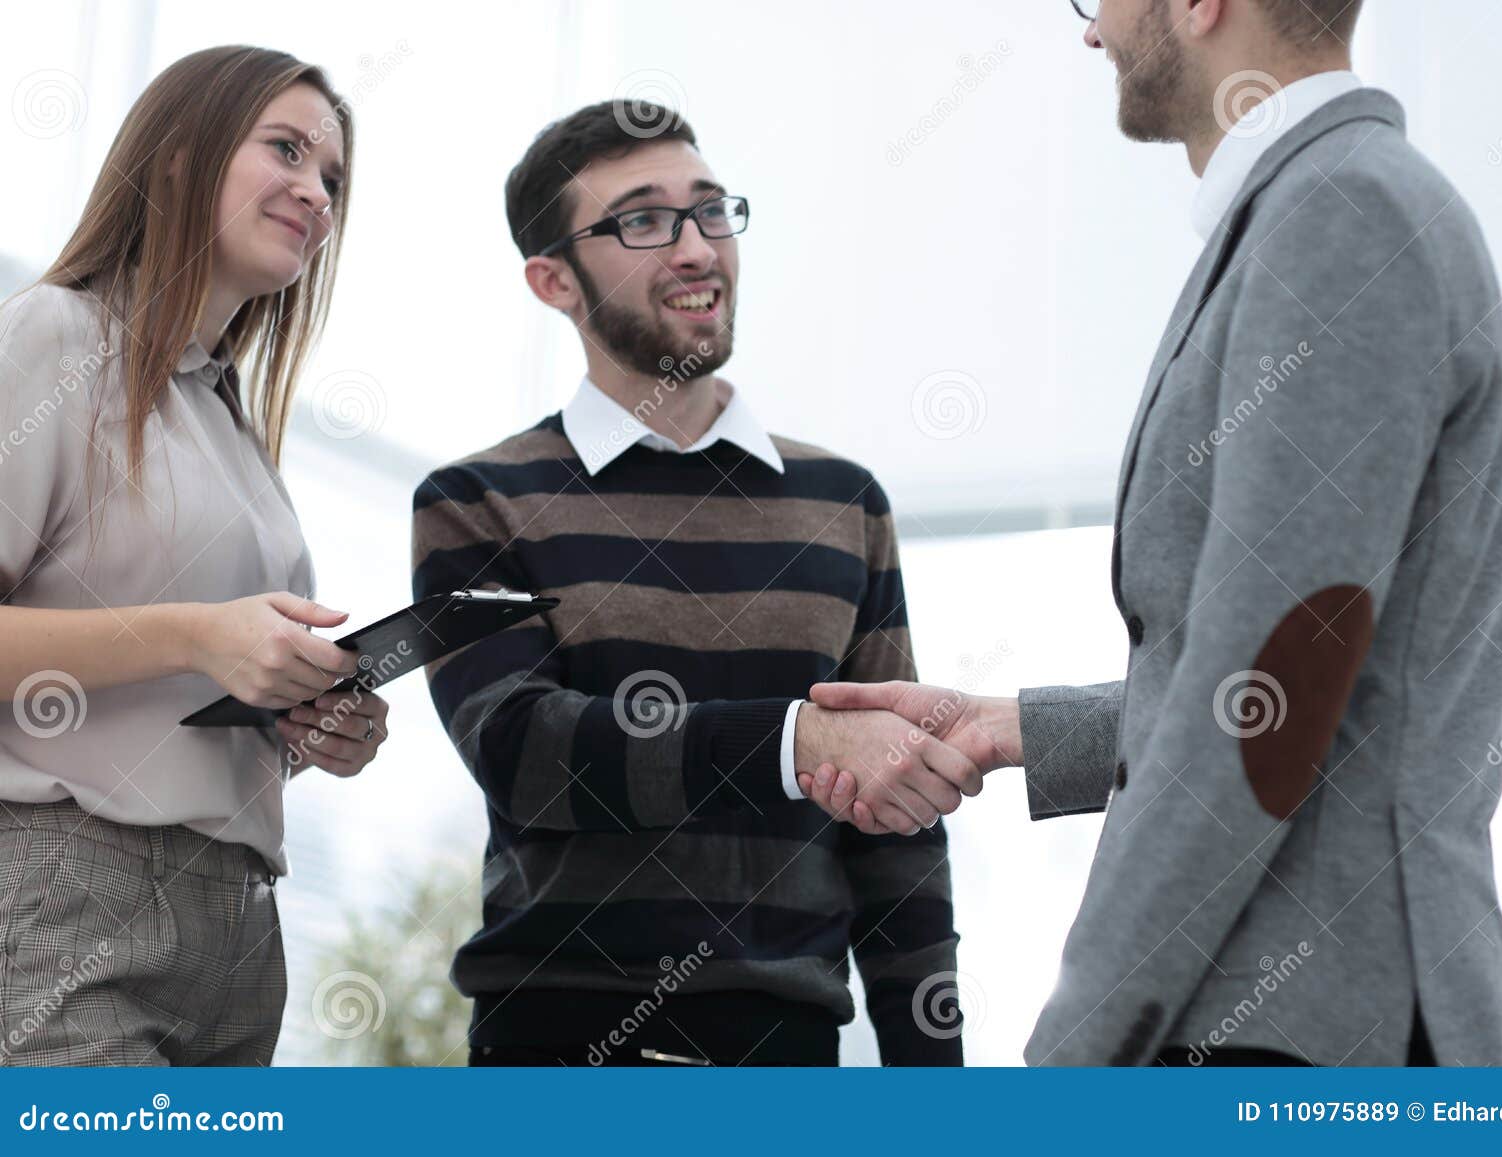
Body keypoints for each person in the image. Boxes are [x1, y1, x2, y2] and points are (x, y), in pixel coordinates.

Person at [802, 0, 1502, 1067]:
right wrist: (1015, 726)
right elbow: (1317, 685)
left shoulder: (1340, 213)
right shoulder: (1333, 203)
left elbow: (1266, 711)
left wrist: (1074, 1057)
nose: (1091, 33)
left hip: (1305, 1033)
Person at [411, 100, 971, 1067]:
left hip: (788, 1051)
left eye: (711, 210)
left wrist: (937, 1082)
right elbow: (526, 754)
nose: (696, 247)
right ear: (554, 280)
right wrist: (795, 739)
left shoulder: (846, 505)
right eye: (642, 220)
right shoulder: (476, 500)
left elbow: (897, 826)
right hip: (554, 1049)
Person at [0, 45, 390, 1067]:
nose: (316, 192)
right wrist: (201, 635)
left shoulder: (229, 424)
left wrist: (305, 725)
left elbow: (184, 710)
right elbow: (184, 647)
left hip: (240, 929)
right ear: (177, 159)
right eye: (287, 150)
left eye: (333, 178)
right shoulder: (54, 338)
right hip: (67, 892)